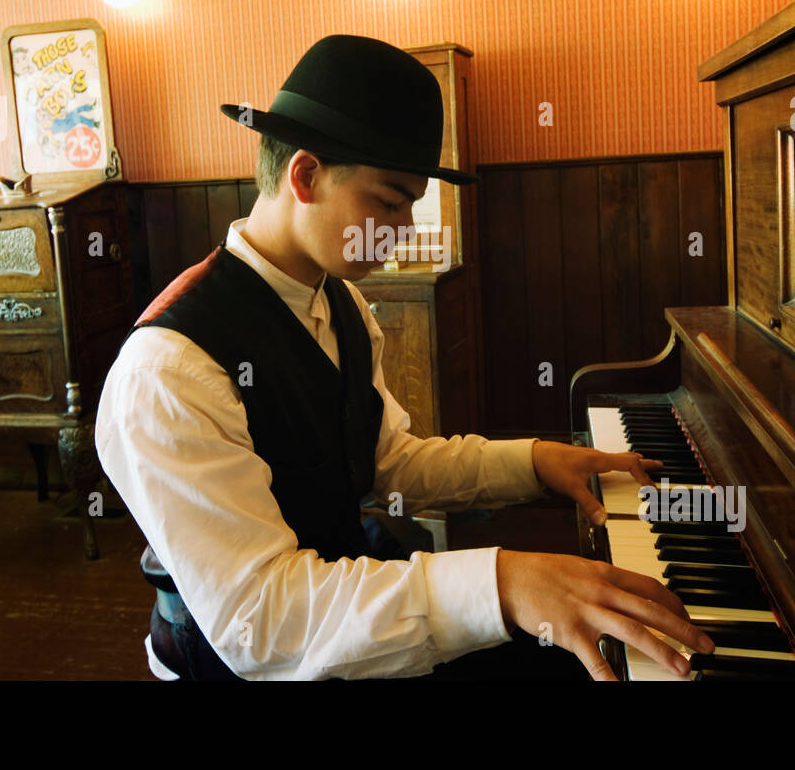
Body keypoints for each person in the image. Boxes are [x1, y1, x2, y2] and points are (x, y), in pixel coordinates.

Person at [95, 34, 715, 680]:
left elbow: (390, 464)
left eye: (410, 205)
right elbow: (263, 622)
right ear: (304, 176)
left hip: (348, 606)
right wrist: (500, 583)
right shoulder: (169, 368)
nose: (405, 230)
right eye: (390, 202)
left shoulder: (342, 307)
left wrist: (535, 461)